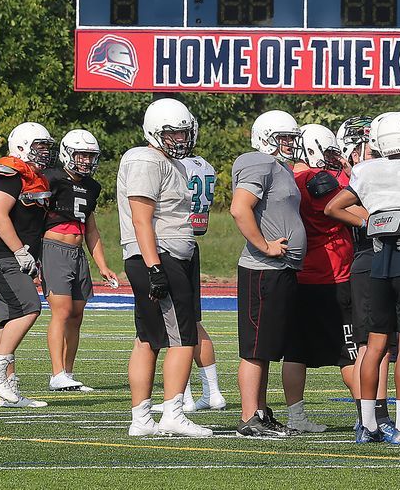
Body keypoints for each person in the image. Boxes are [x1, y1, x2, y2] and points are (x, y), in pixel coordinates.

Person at [325, 111, 400, 446]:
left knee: (375, 347)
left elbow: (333, 208)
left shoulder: (367, 170)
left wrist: (371, 224)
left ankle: (367, 425)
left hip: (378, 263)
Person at [119, 99, 212, 438]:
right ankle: (172, 412)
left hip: (163, 254)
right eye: (172, 133)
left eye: (184, 132)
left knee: (147, 338)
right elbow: (142, 219)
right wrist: (155, 266)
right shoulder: (145, 159)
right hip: (160, 255)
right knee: (183, 338)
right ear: (155, 132)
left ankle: (142, 419)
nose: (180, 139)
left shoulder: (170, 163)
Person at [230, 109, 307, 438]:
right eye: (284, 138)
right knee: (256, 349)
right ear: (266, 137)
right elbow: (239, 207)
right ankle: (249, 418)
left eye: (292, 138)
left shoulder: (279, 167)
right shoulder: (258, 162)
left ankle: (260, 412)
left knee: (266, 349)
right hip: (263, 269)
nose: (290, 144)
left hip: (280, 270)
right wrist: (264, 246)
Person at [283, 123, 360, 432]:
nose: (331, 161)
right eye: (327, 153)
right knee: (350, 353)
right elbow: (343, 206)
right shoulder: (319, 181)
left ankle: (296, 417)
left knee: (296, 351)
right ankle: (366, 416)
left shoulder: (287, 178)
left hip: (299, 273)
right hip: (333, 274)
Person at [0, 123, 55, 408]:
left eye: (47, 147)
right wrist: (20, 252)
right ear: (21, 146)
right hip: (2, 256)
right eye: (40, 146)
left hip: (9, 257)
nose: (45, 153)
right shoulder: (8, 173)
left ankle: (9, 391)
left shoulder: (36, 177)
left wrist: (32, 256)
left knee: (5, 322)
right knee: (29, 308)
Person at [41, 129, 118, 392]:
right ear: (67, 154)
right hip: (53, 248)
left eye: (89, 155)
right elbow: (33, 218)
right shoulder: (50, 178)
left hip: (78, 253)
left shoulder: (91, 187)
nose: (85, 160)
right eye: (81, 155)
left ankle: (68, 373)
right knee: (61, 311)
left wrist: (103, 265)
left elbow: (91, 229)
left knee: (76, 315)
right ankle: (56, 373)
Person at [152, 153, 227, 415]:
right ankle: (212, 392)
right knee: (191, 322)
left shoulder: (170, 164)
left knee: (174, 325)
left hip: (169, 242)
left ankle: (182, 396)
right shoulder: (205, 165)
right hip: (190, 242)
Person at [337, 115, 393, 432]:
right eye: (372, 150)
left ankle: (374, 414)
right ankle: (371, 416)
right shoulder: (352, 187)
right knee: (371, 345)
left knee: (378, 345)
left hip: (375, 263)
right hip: (365, 263)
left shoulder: (365, 180)